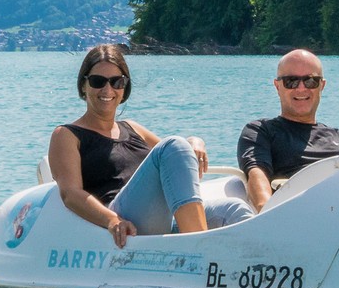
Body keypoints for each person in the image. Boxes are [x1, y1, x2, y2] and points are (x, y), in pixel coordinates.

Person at [47, 44, 252, 246]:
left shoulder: (133, 128)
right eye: (97, 81)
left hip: (159, 218)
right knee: (174, 145)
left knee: (234, 209)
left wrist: (195, 141)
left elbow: (175, 162)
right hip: (120, 217)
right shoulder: (67, 135)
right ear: (84, 85)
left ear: (124, 86)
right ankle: (198, 247)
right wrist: (112, 220)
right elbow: (71, 194)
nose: (107, 89)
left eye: (117, 82)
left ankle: (259, 264)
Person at [236, 49, 339, 211]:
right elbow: (257, 175)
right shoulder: (261, 131)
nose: (301, 88)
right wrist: (268, 215)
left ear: (321, 86)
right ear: (277, 86)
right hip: (300, 216)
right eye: (291, 81)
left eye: (310, 81)